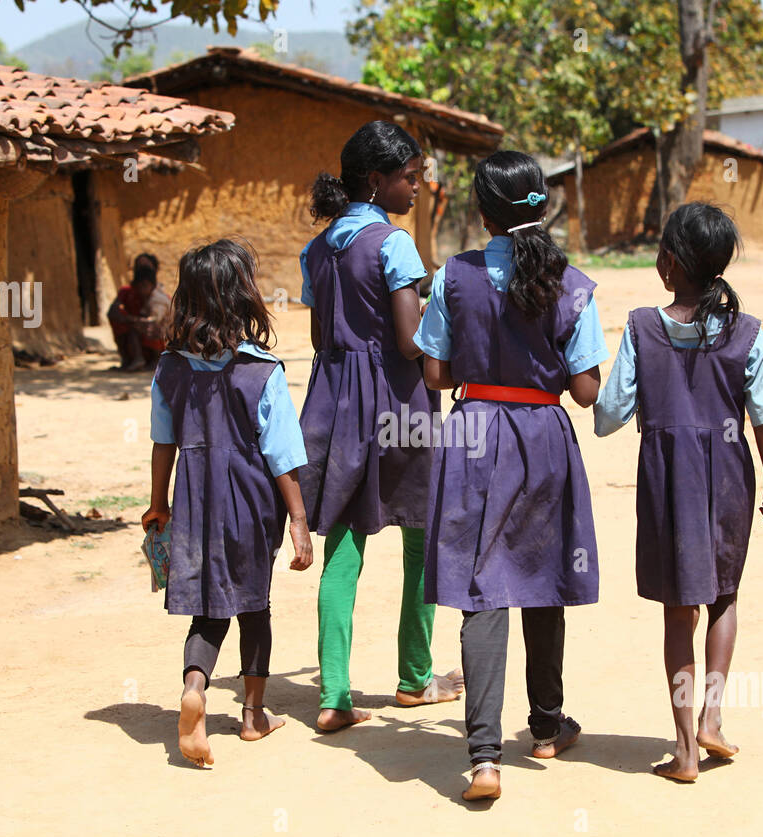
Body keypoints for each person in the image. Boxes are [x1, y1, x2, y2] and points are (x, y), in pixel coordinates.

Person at [415, 150, 608, 801]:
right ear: (543, 205)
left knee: (482, 586)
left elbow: (436, 375)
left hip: (473, 434)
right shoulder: (571, 282)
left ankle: (485, 758)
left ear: (482, 211)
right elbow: (585, 392)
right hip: (542, 436)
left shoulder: (454, 275)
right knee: (543, 574)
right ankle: (548, 726)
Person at [593, 201, 763, 783]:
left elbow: (608, 415)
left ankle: (684, 753)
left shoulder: (641, 328)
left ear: (669, 264)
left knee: (678, 610)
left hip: (665, 483)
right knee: (723, 596)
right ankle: (712, 718)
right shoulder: (747, 333)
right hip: (730, 476)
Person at [298, 120, 463, 732]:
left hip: (335, 402)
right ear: (376, 181)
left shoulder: (318, 250)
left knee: (342, 548)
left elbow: (319, 337)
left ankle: (334, 695)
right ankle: (415, 679)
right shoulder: (394, 245)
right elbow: (408, 338)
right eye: (409, 177)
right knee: (419, 536)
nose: (418, 187)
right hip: (399, 403)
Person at [141, 239, 313, 768]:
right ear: (244, 297)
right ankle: (254, 715)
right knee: (253, 604)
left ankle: (196, 687)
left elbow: (162, 442)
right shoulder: (262, 371)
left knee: (208, 609)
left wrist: (157, 506)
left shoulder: (169, 369)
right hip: (252, 503)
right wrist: (300, 522)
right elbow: (282, 454)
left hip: (193, 501)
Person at [109, 263, 162, 371]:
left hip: (156, 336)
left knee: (151, 328)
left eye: (145, 285)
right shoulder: (127, 292)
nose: (142, 289)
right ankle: (130, 359)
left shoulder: (157, 299)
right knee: (124, 326)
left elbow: (156, 321)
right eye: (140, 285)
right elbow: (112, 312)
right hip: (135, 331)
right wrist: (132, 320)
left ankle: (155, 360)